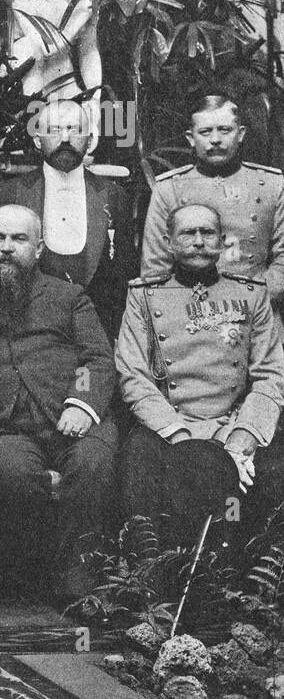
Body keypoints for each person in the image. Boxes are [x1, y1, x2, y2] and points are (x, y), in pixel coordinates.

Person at [0, 204, 116, 604]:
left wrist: (81, 403)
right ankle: (34, 578)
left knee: (93, 465)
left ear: (38, 248)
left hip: (72, 418)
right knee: (17, 474)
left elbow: (97, 359)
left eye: (18, 239)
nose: (6, 248)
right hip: (2, 428)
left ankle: (79, 585)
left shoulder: (69, 296)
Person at [116, 203, 284, 545]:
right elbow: (133, 375)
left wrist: (244, 436)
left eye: (207, 233)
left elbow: (270, 374)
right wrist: (180, 437)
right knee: (140, 466)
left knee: (271, 475)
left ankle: (242, 574)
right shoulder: (143, 297)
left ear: (222, 241)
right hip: (167, 428)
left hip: (232, 424)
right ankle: (151, 573)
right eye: (188, 233)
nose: (198, 242)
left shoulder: (250, 295)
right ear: (168, 242)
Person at [0, 99, 136, 336]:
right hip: (27, 331)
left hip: (99, 330)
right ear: (37, 140)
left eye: (75, 130)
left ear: (90, 140)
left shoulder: (115, 197)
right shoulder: (9, 194)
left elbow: (125, 275)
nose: (65, 139)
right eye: (55, 130)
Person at [141, 93, 284, 328]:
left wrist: (254, 300)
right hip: (189, 318)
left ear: (241, 134)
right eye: (205, 132)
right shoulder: (168, 190)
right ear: (190, 138)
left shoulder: (271, 184)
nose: (215, 139)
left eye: (225, 130)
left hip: (259, 316)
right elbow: (155, 269)